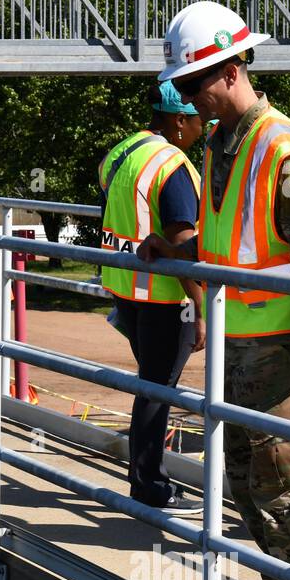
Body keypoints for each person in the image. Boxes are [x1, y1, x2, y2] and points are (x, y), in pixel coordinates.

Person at [139, 0, 290, 580]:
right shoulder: (221, 143)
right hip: (237, 341)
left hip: (283, 349)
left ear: (230, 69)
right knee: (243, 477)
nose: (191, 100)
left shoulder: (287, 148)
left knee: (282, 480)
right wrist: (174, 248)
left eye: (197, 84)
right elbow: (237, 241)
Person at [100, 80, 207, 516]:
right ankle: (149, 486)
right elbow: (183, 243)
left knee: (150, 387)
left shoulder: (123, 152)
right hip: (166, 299)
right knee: (157, 391)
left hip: (126, 290)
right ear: (179, 121)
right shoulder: (172, 164)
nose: (203, 127)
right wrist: (201, 307)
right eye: (199, 120)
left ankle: (148, 477)